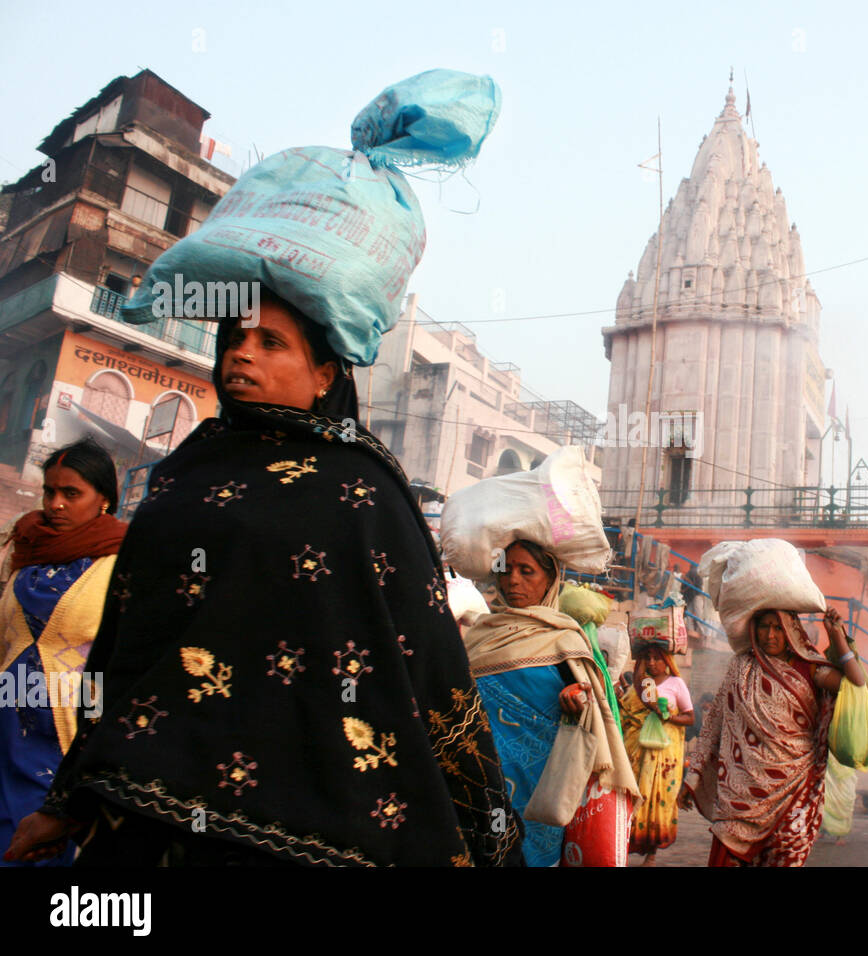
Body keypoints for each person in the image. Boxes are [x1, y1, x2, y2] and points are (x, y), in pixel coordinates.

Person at [6, 298, 521, 867]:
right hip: (142, 813)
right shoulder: (182, 475)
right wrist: (66, 795)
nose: (241, 353)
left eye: (270, 343)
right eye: (233, 340)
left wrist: (488, 825)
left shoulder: (364, 493)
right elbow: (123, 644)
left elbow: (430, 666)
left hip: (311, 833)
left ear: (325, 375)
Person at [463, 539, 638, 867]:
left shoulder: (566, 639)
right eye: (506, 570)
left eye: (526, 571)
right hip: (480, 781)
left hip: (543, 786)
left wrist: (576, 706)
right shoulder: (479, 635)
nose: (513, 580)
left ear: (550, 578)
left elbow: (593, 712)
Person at [0, 440, 126, 866]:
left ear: (104, 498)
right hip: (8, 715)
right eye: (49, 492)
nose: (56, 504)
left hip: (68, 730)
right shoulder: (20, 547)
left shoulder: (125, 561)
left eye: (71, 494)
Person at [680, 606, 867, 866]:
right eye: (764, 626)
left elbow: (856, 683)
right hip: (740, 794)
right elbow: (715, 722)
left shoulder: (809, 668)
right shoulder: (741, 667)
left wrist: (836, 636)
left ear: (791, 631)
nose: (770, 635)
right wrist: (695, 775)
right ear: (754, 629)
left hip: (794, 788)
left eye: (778, 627)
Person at [619, 639, 693, 865]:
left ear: (667, 661)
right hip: (635, 753)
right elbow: (625, 714)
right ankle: (621, 847)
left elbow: (690, 717)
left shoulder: (676, 684)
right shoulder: (638, 686)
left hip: (664, 756)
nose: (651, 663)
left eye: (656, 658)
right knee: (630, 798)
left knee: (658, 799)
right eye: (647, 658)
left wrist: (668, 716)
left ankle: (652, 854)